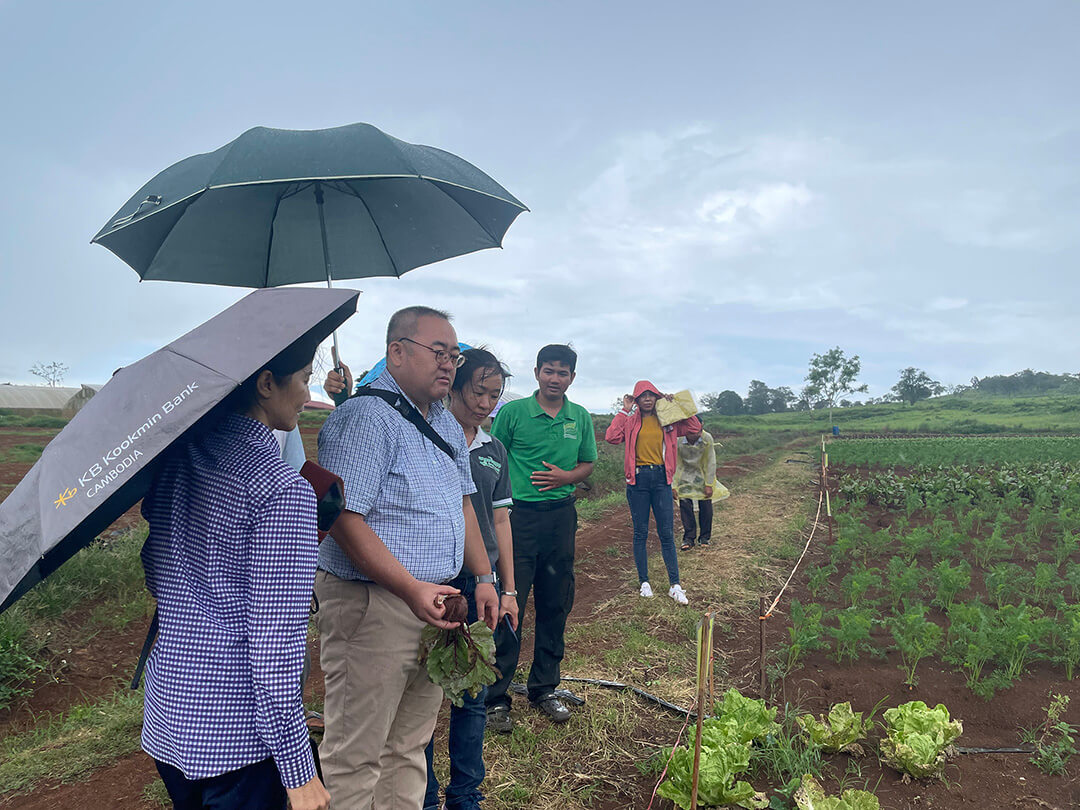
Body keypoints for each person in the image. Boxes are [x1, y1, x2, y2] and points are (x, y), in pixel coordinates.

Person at [315, 306, 499, 809]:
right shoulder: (364, 418)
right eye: (438, 352)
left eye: (454, 355)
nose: (449, 365)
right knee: (357, 753)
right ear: (397, 352)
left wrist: (483, 577)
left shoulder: (441, 419)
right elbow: (344, 518)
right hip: (375, 605)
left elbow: (462, 504)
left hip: (435, 603)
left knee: (408, 746)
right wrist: (410, 588)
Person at [140, 343, 331, 810]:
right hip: (240, 740)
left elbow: (153, 568)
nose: (306, 394)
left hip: (170, 714)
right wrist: (299, 768)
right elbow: (273, 644)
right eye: (304, 377)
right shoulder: (283, 491)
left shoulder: (174, 463)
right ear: (267, 383)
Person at [423, 347, 518, 810]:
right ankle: (420, 795)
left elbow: (500, 523)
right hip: (434, 581)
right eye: (479, 391)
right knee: (419, 696)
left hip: (482, 585)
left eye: (494, 395)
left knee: (472, 694)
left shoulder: (494, 450)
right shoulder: (429, 439)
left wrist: (509, 588)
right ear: (456, 385)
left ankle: (465, 794)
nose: (485, 403)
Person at [485, 344, 597, 733]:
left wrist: (567, 478)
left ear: (572, 378)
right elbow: (493, 456)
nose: (555, 379)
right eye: (548, 371)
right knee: (509, 603)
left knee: (556, 602)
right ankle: (495, 697)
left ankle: (544, 687)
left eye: (562, 373)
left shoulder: (579, 417)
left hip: (561, 518)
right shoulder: (513, 414)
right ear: (536, 373)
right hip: (519, 519)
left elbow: (588, 463)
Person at [604, 381, 700, 605]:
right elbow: (611, 437)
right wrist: (624, 409)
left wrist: (676, 405)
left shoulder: (668, 420)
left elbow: (695, 428)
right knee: (641, 532)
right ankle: (644, 582)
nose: (647, 399)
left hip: (661, 480)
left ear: (656, 397)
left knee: (666, 533)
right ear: (637, 400)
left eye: (651, 395)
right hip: (637, 481)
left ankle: (675, 585)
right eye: (642, 396)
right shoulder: (630, 421)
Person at [673, 424, 718, 549]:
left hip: (702, 474)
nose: (696, 434)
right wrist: (674, 484)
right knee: (685, 505)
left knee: (706, 506)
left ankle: (704, 538)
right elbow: (674, 462)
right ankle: (688, 539)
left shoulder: (706, 438)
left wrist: (709, 484)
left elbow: (710, 460)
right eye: (692, 431)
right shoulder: (678, 439)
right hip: (684, 474)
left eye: (698, 430)